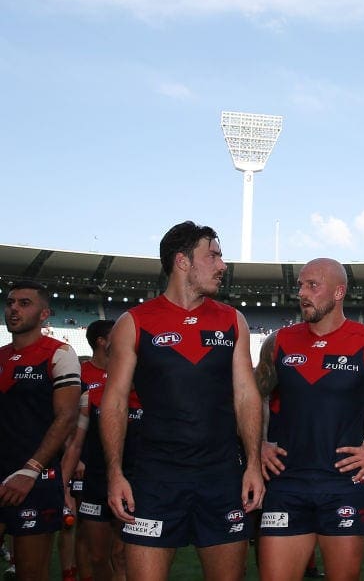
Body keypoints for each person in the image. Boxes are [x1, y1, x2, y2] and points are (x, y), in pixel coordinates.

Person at [99, 221, 264, 580]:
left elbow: (246, 395)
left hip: (221, 477)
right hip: (156, 479)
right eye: (213, 256)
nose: (223, 265)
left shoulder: (233, 321)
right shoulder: (134, 322)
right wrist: (115, 473)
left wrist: (253, 463)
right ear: (183, 261)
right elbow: (114, 404)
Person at [255, 258, 364, 581]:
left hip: (343, 485)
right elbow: (250, 395)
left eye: (313, 285)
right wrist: (256, 443)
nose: (302, 293)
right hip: (286, 484)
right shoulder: (278, 343)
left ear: (339, 292)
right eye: (300, 285)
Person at [1, 280, 82, 581]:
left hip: (35, 479)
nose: (13, 309)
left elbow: (66, 418)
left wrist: (30, 470)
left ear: (44, 314)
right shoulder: (0, 356)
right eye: (10, 302)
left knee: (30, 573)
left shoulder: (59, 354)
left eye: (24, 303)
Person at [62, 319, 142, 581]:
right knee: (96, 554)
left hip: (135, 476)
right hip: (96, 476)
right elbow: (74, 434)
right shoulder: (86, 384)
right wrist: (67, 480)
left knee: (121, 553)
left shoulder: (144, 383)